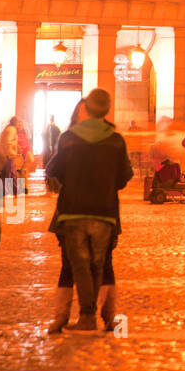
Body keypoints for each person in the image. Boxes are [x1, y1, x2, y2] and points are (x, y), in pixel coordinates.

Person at [46, 88, 132, 332]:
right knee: (102, 263)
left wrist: (72, 182)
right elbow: (124, 177)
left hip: (72, 209)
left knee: (75, 265)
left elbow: (53, 170)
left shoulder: (69, 138)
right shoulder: (116, 140)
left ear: (87, 109)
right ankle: (106, 316)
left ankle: (79, 317)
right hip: (105, 210)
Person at [44, 116, 62, 194]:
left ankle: (53, 188)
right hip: (53, 150)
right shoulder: (54, 128)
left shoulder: (49, 128)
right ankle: (54, 188)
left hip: (50, 151)